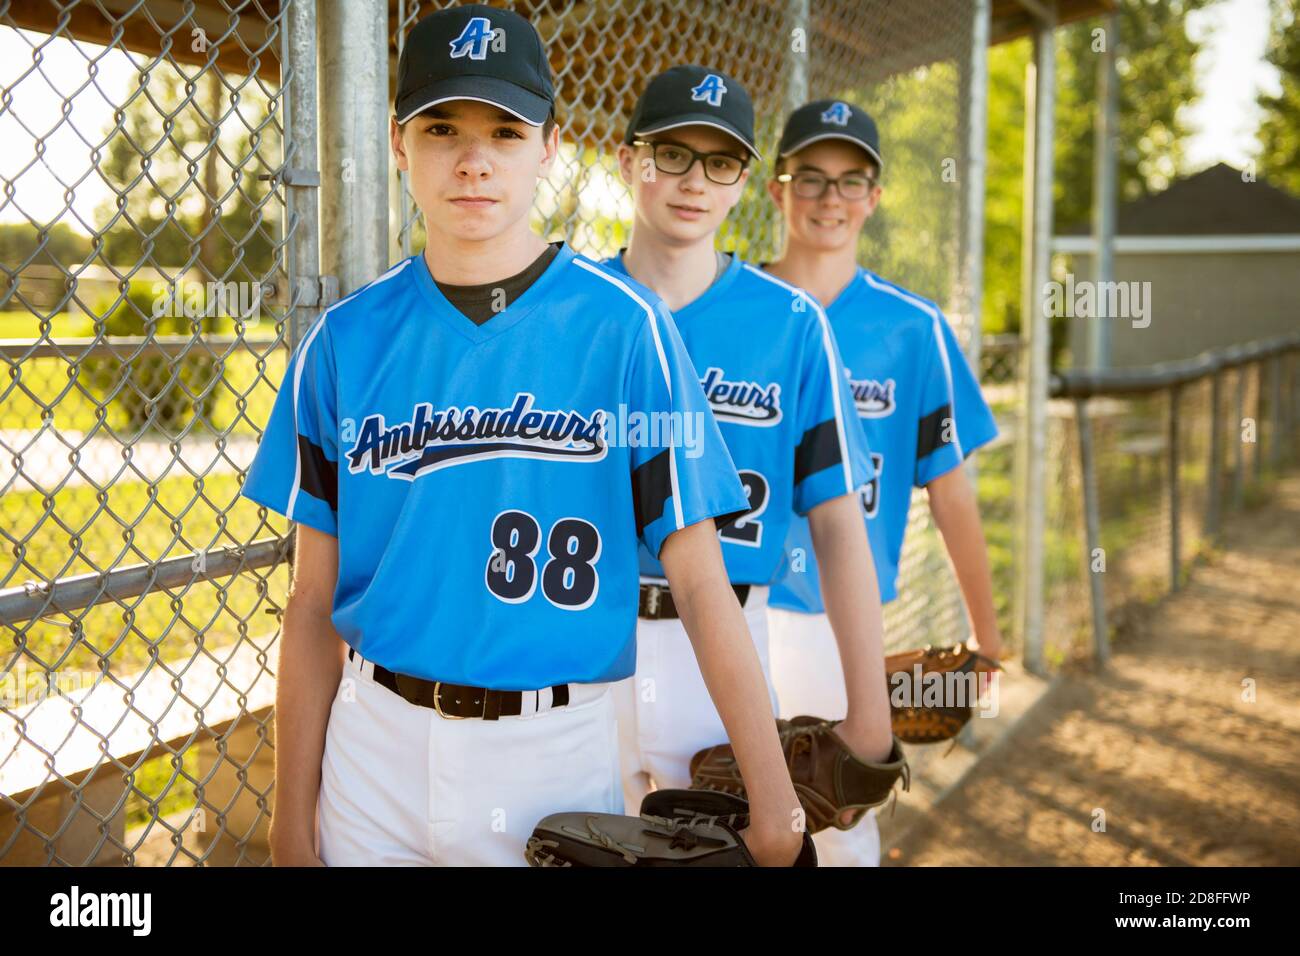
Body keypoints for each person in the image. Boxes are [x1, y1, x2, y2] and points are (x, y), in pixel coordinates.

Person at [240, 4, 806, 867]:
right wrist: (289, 825)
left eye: (505, 130)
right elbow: (312, 604)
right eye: (442, 127)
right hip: (371, 751)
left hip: (553, 758)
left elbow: (700, 585)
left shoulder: (625, 330)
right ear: (399, 143)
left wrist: (777, 808)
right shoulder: (346, 344)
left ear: (548, 147)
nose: (472, 159)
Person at [604, 66, 897, 825]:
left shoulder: (792, 323)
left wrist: (869, 713)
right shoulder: (576, 307)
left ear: (744, 183)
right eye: (671, 154)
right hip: (580, 641)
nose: (694, 181)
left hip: (724, 645)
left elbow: (837, 525)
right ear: (626, 158)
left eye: (721, 161)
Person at [764, 99, 1004, 866]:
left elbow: (952, 491)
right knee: (711, 813)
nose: (829, 198)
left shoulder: (913, 327)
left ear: (874, 197)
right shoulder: (731, 310)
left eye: (850, 180)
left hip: (842, 621)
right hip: (726, 606)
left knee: (837, 817)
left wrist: (987, 637)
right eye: (810, 177)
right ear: (777, 190)